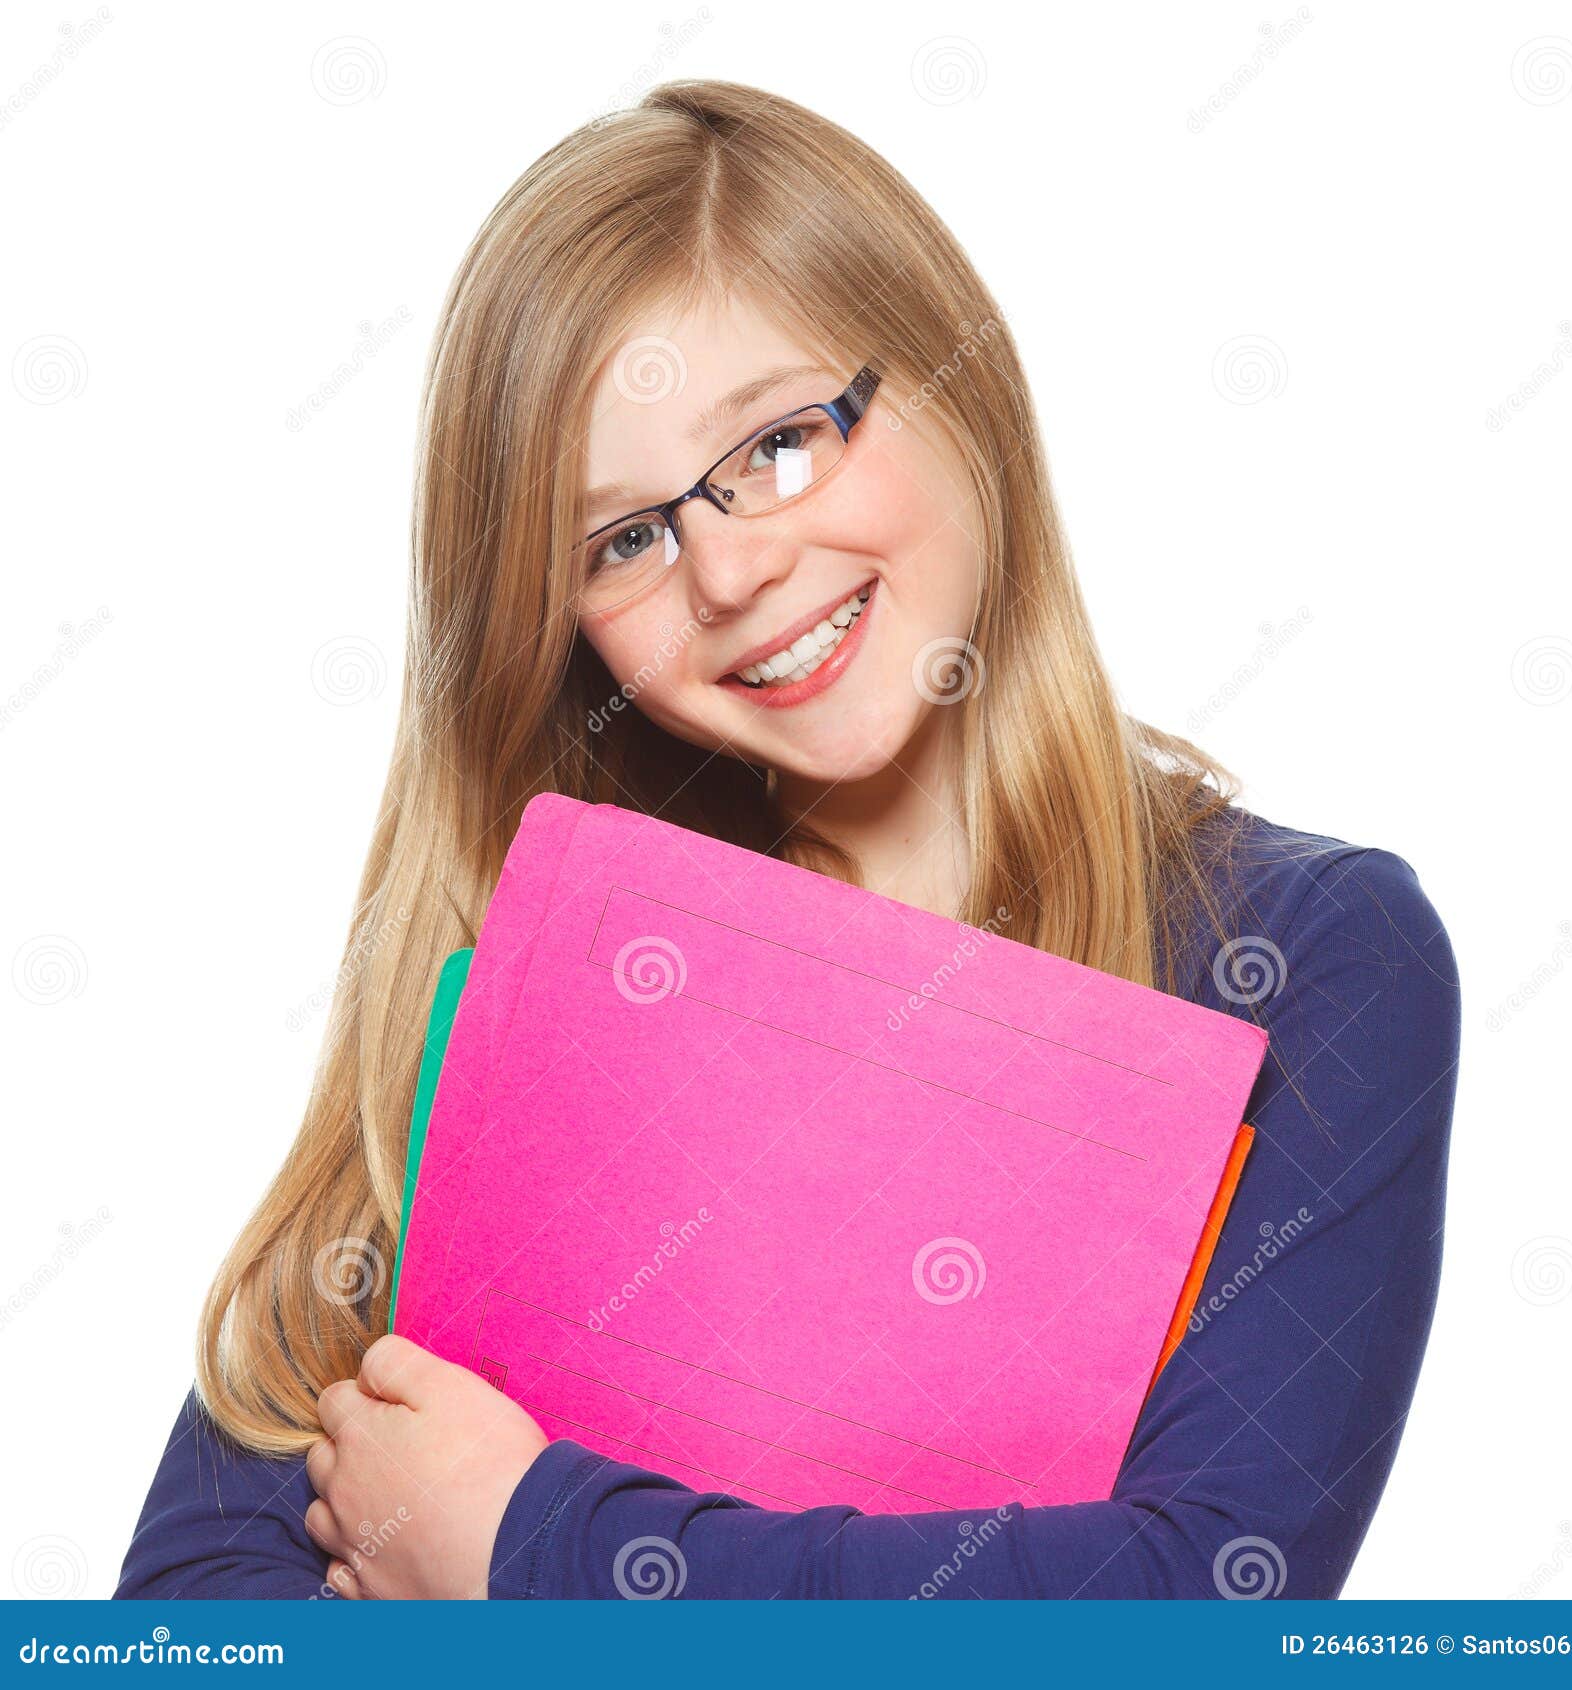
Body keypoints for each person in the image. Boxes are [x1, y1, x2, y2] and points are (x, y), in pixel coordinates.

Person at [114, 79, 1459, 1601]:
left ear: (960, 377)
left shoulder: (1304, 957)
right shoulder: (551, 956)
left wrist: (527, 1542)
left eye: (780, 440)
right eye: (624, 538)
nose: (735, 566)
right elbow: (194, 1614)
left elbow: (1196, 1591)